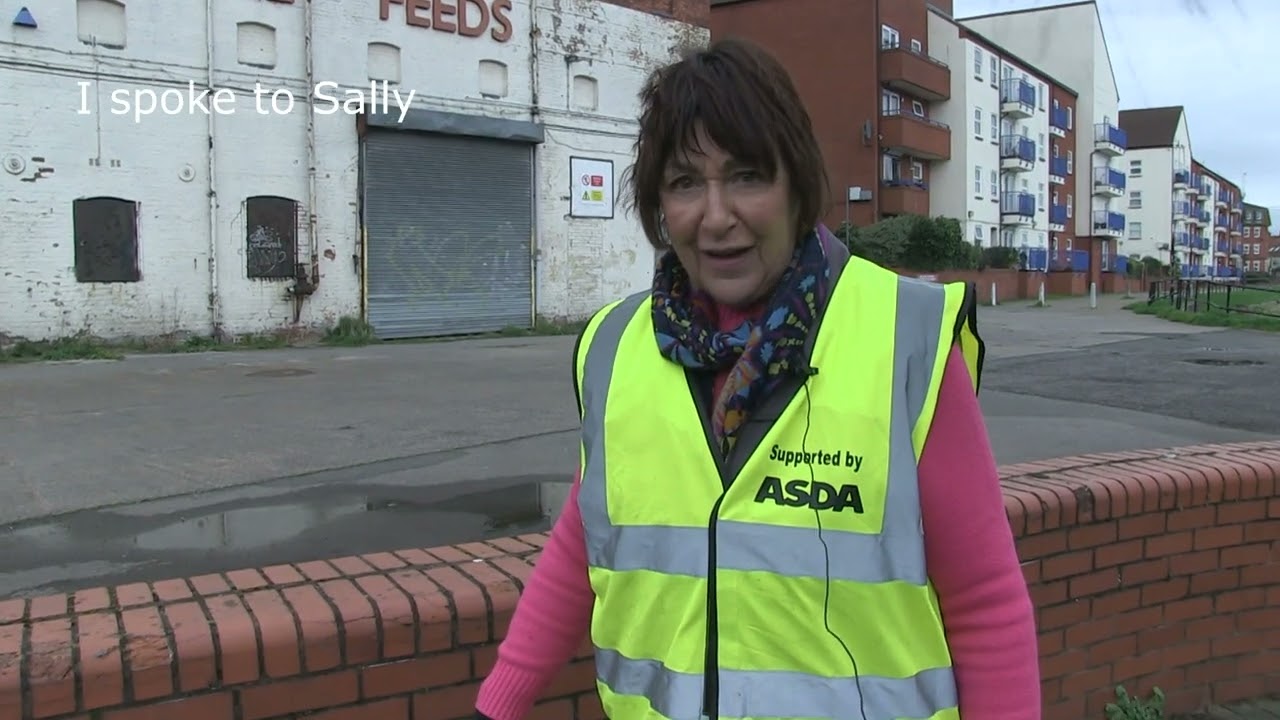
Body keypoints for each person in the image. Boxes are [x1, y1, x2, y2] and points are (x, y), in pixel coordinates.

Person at [474, 37, 1040, 720]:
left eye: (747, 176)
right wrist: (497, 706)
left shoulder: (904, 336)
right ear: (659, 204)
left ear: (796, 185)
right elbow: (582, 546)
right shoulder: (615, 346)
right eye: (686, 183)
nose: (717, 217)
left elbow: (985, 603)